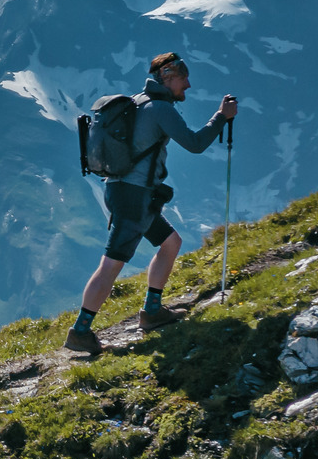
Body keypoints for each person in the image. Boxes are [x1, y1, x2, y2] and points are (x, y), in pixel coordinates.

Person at [65, 52, 239, 354]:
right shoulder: (160, 108)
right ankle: (80, 332)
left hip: (120, 189)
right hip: (134, 196)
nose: (188, 84)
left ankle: (152, 311)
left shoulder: (137, 102)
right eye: (183, 77)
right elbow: (195, 144)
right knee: (111, 265)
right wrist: (222, 116)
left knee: (170, 242)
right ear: (168, 76)